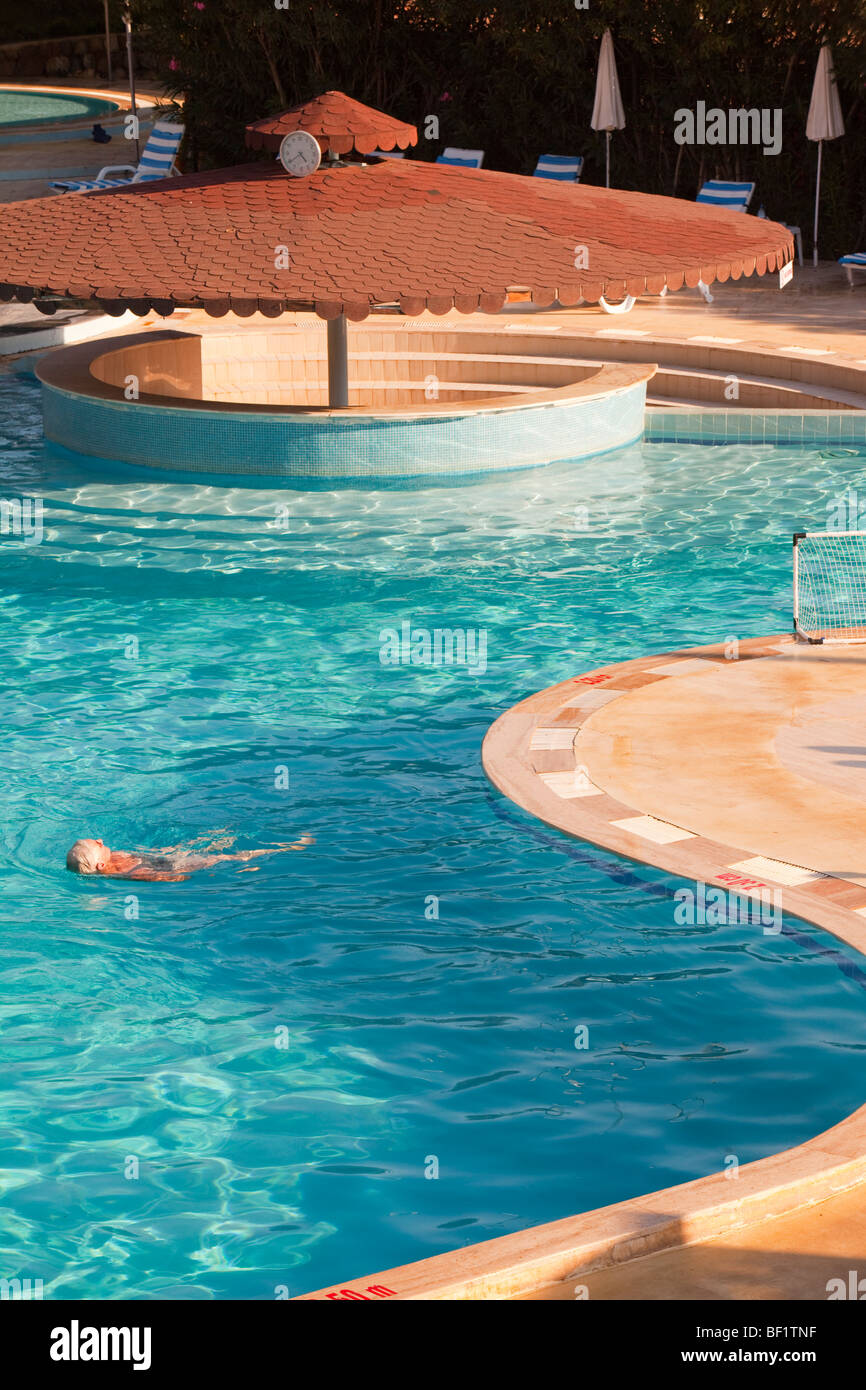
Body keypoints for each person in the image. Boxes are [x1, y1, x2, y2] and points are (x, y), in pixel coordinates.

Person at [66, 833, 313, 881]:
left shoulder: (113, 857)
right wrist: (179, 877)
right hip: (175, 866)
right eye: (96, 844)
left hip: (163, 858)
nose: (99, 840)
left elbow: (146, 857)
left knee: (204, 841)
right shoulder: (122, 873)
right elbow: (157, 876)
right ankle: (287, 847)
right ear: (100, 864)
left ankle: (217, 841)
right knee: (228, 858)